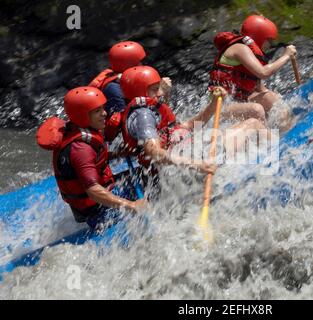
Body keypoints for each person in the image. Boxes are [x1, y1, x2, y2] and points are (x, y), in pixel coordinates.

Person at [118, 66, 268, 177]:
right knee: (253, 124)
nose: (160, 92)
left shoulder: (146, 112)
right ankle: (274, 161)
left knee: (243, 131)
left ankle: (258, 161)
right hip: (187, 167)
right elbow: (154, 153)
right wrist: (197, 165)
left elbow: (189, 126)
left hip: (190, 154)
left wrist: (214, 104)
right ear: (140, 91)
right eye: (155, 89)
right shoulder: (143, 116)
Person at [36, 87, 146, 229]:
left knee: (144, 173)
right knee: (153, 181)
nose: (104, 113)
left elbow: (93, 161)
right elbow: (93, 191)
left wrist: (117, 154)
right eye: (97, 111)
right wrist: (131, 205)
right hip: (98, 212)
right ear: (82, 115)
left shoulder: (77, 129)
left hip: (95, 201)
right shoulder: (81, 149)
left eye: (102, 108)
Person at [210, 15, 297, 123]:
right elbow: (264, 72)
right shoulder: (240, 49)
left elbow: (261, 89)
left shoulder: (253, 56)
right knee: (257, 110)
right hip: (220, 105)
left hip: (238, 102)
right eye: (269, 40)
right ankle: (267, 136)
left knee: (271, 98)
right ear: (259, 36)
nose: (270, 45)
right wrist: (286, 56)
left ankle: (288, 131)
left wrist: (278, 100)